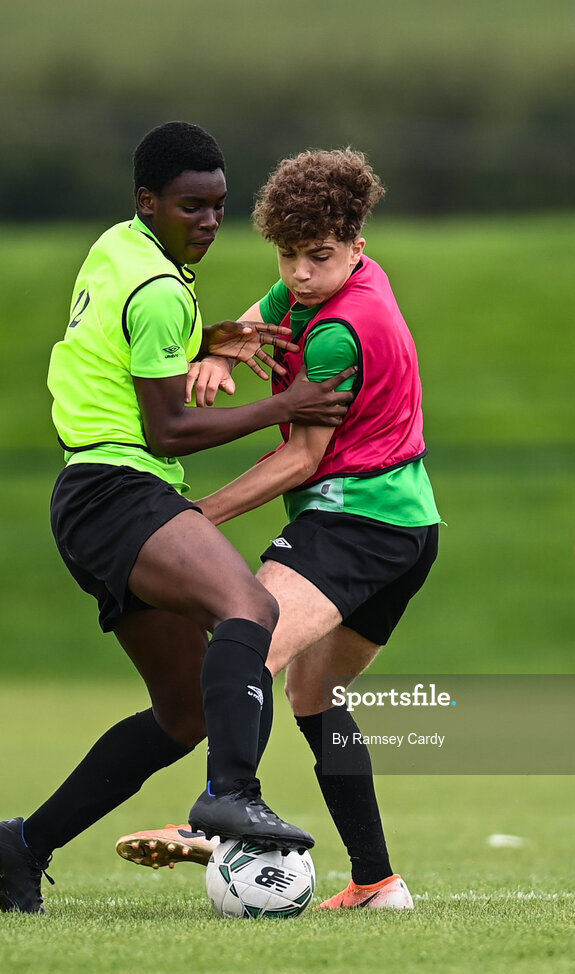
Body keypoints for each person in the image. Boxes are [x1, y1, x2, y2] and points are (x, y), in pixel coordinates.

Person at [0, 121, 356, 914]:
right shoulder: (156, 290)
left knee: (182, 712)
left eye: (218, 207)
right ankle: (233, 796)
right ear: (149, 200)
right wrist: (285, 403)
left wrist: (205, 335)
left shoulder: (122, 250)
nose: (208, 222)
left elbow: (118, 342)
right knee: (249, 604)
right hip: (119, 489)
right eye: (190, 207)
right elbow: (168, 430)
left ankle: (23, 844)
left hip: (92, 494)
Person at [114, 148, 440, 910]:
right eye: (288, 256)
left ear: (356, 244)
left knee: (244, 646)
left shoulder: (341, 332)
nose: (299, 274)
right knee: (312, 691)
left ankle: (220, 816)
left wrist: (195, 516)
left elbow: (299, 459)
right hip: (409, 524)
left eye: (317, 258)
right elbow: (265, 314)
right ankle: (376, 881)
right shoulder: (345, 276)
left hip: (353, 521)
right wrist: (223, 345)